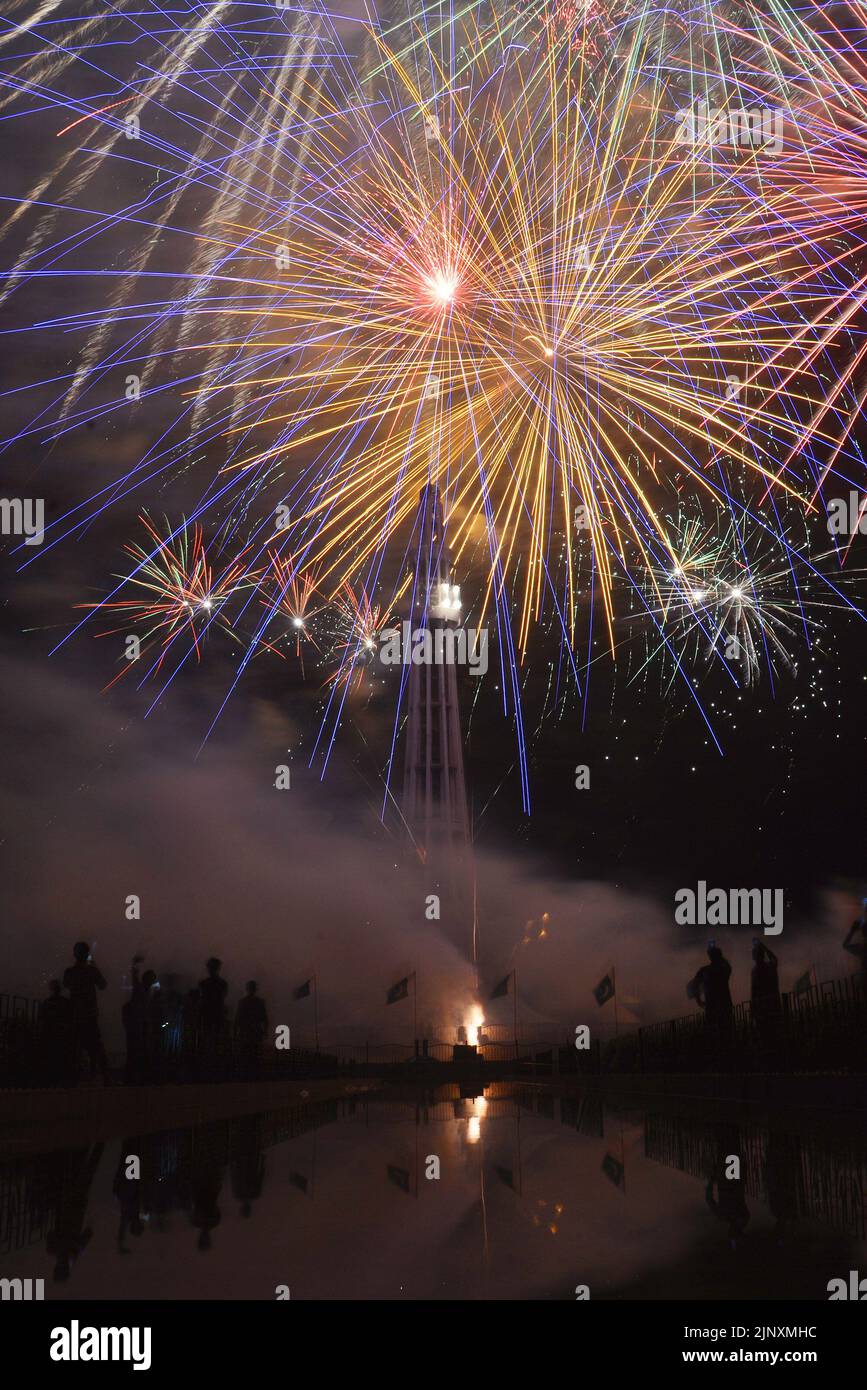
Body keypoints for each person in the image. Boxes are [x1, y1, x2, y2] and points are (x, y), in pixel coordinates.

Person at [62, 942, 109, 1083]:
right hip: (90, 1015)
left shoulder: (70, 972)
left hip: (76, 1015)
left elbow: (66, 984)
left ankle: (75, 1076)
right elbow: (103, 985)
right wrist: (93, 966)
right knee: (94, 1045)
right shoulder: (91, 971)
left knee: (76, 1046)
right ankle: (95, 1074)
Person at [122, 956, 158, 1084]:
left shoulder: (146, 992)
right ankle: (134, 1077)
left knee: (137, 1051)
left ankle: (135, 1077)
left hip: (139, 1026)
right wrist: (135, 964)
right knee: (136, 1051)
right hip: (137, 1026)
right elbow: (134, 976)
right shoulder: (141, 989)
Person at [198, 958, 228, 1077]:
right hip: (217, 1015)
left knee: (209, 1041)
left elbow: (203, 1000)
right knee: (216, 1042)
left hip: (208, 1015)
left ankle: (209, 1068)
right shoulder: (222, 984)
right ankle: (216, 1068)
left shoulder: (204, 984)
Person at [40, 980, 73, 1086]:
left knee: (52, 1058)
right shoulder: (65, 1003)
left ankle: (52, 1079)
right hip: (62, 1035)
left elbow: (43, 1019)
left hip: (51, 1035)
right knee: (60, 1058)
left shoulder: (47, 1003)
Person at [235, 981, 268, 1078]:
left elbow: (238, 1018)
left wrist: (235, 1032)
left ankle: (246, 1075)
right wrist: (265, 1030)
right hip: (255, 1032)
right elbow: (265, 1019)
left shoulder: (242, 1002)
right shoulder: (259, 1002)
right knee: (254, 1055)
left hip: (246, 1032)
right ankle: (254, 1075)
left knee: (246, 1055)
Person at [750, 940, 781, 1042]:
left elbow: (753, 992)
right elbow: (774, 958)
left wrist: (752, 1011)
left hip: (762, 1008)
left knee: (765, 1037)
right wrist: (764, 947)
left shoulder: (756, 971)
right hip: (771, 1005)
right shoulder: (769, 967)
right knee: (773, 1036)